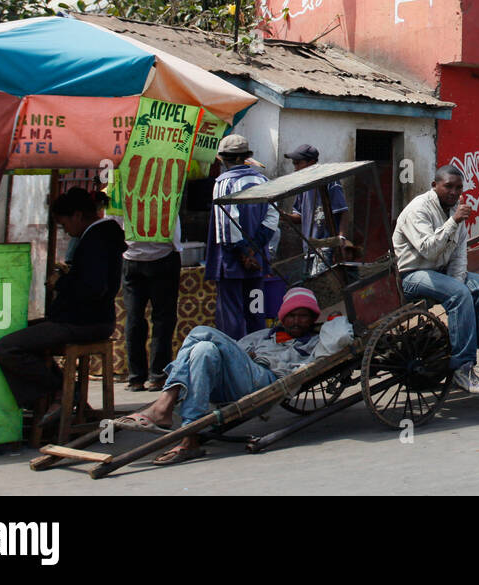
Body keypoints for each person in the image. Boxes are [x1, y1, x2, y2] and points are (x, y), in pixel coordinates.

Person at [116, 287, 352, 465]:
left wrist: (332, 318)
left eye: (304, 316)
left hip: (267, 381)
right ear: (282, 317)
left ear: (313, 319)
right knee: (203, 349)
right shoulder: (263, 335)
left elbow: (342, 335)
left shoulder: (315, 342)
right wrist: (240, 356)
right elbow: (229, 353)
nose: (297, 321)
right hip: (235, 381)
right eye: (292, 315)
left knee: (201, 333)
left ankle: (165, 406)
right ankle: (190, 438)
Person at [392, 165, 479, 394]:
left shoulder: (455, 210)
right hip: (413, 275)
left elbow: (459, 255)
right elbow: (429, 251)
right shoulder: (419, 209)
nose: (454, 192)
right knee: (459, 293)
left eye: (458, 188)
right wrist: (453, 222)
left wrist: (458, 282)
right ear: (435, 186)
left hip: (440, 272)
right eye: (448, 187)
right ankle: (462, 368)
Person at [0, 187, 126, 414]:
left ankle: (60, 391)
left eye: (64, 224)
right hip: (90, 320)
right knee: (25, 334)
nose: (65, 231)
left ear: (77, 215)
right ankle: (61, 395)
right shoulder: (99, 237)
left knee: (7, 347)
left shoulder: (96, 239)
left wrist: (61, 282)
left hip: (83, 323)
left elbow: (93, 288)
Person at [204, 134, 280, 339]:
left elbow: (227, 224)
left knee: (231, 314)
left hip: (233, 262)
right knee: (256, 310)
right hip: (257, 261)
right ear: (245, 157)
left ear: (223, 158)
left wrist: (244, 253)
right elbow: (272, 217)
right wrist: (254, 250)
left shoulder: (223, 182)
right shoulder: (263, 180)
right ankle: (260, 350)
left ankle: (235, 357)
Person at [120, 210, 182, 393]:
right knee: (163, 319)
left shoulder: (118, 188)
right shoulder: (166, 184)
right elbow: (174, 226)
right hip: (162, 255)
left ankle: (136, 378)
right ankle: (158, 376)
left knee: (134, 318)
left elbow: (113, 223)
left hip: (131, 257)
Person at [282, 143, 349, 275]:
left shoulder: (330, 181)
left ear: (311, 162)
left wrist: (341, 240)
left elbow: (344, 213)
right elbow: (299, 217)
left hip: (325, 248)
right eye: (294, 164)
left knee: (322, 290)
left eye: (298, 163)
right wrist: (285, 216)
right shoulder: (302, 186)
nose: (295, 168)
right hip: (309, 249)